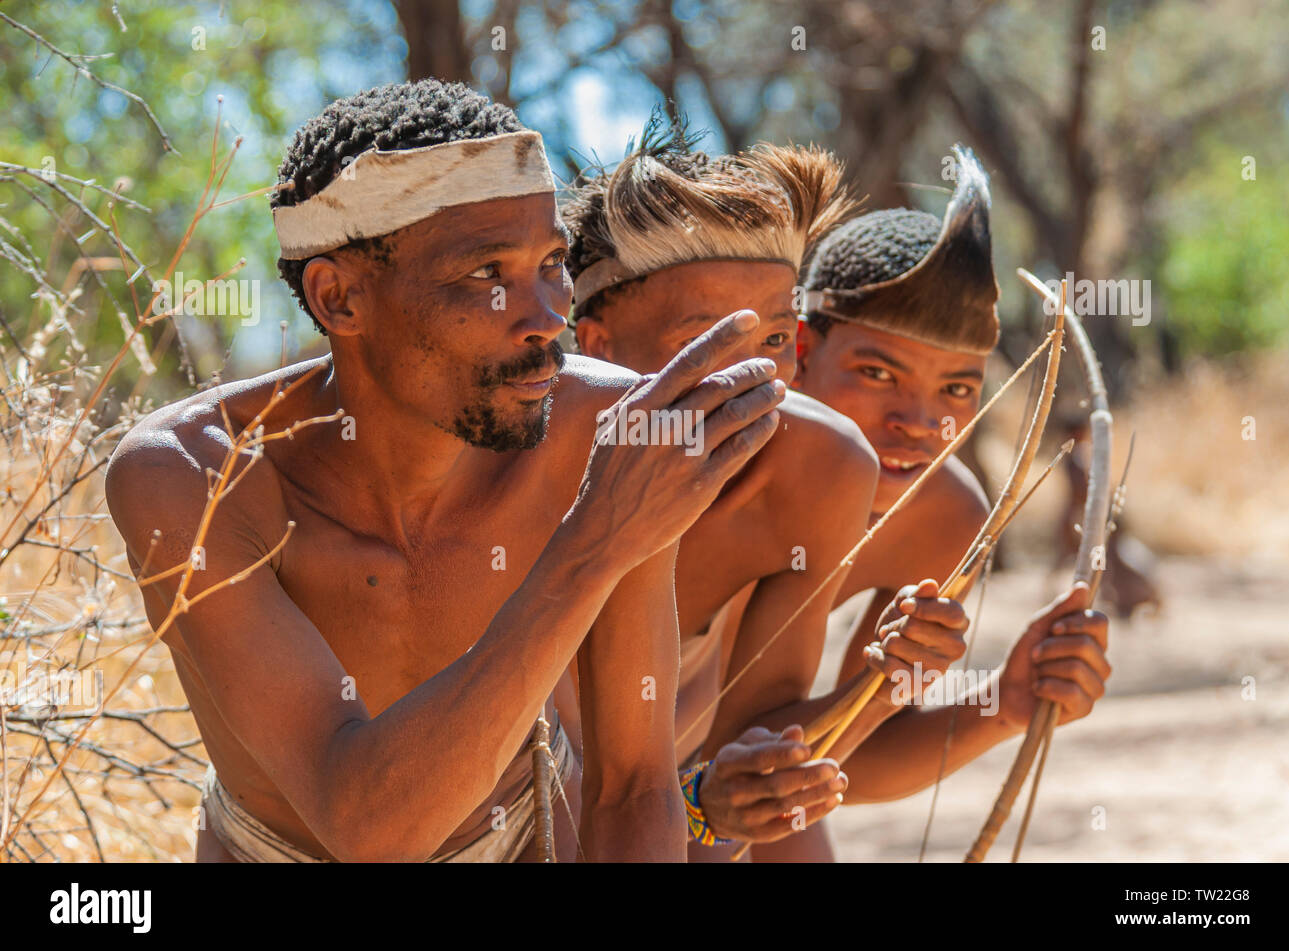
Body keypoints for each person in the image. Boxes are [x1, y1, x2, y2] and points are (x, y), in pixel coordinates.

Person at [106, 80, 785, 863]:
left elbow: (632, 785)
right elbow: (369, 827)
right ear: (339, 297)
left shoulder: (603, 433)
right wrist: (591, 543)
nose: (547, 316)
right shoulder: (193, 475)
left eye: (553, 263)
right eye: (485, 274)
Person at [564, 124, 972, 859]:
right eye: (712, 340)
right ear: (595, 349)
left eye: (774, 341)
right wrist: (696, 809)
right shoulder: (511, 475)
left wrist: (880, 686)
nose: (755, 379)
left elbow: (756, 767)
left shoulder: (816, 467)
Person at [790, 147, 1112, 837]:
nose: (918, 421)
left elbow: (848, 761)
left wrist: (1005, 702)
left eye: (957, 389)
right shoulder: (716, 474)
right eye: (877, 373)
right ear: (798, 352)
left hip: (752, 789)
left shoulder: (944, 518)